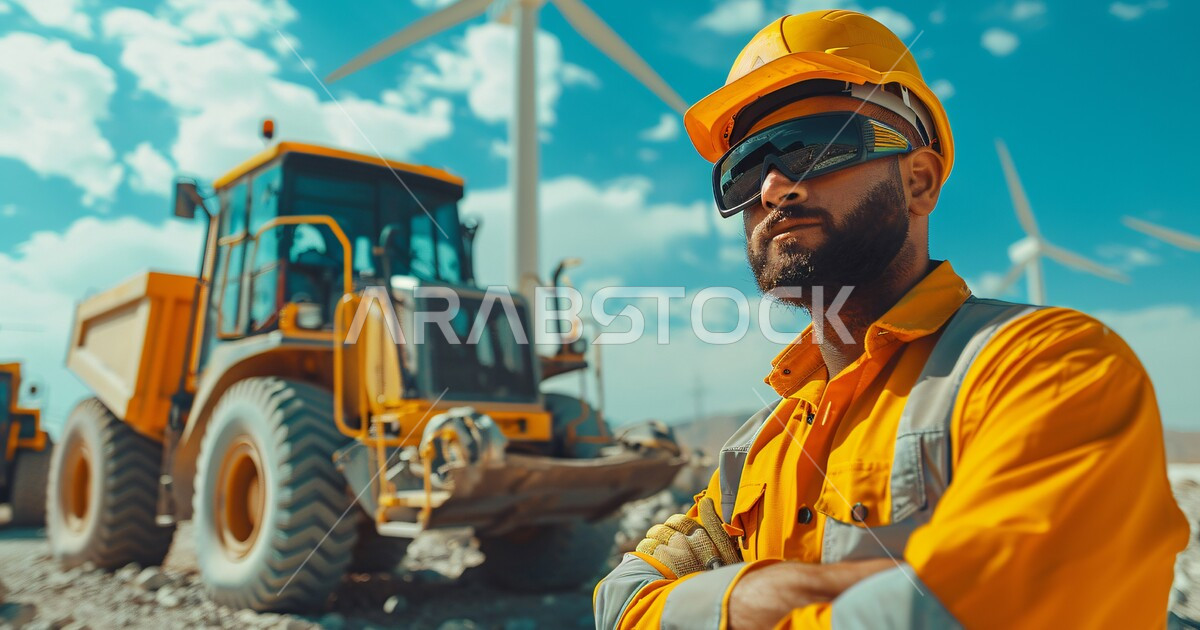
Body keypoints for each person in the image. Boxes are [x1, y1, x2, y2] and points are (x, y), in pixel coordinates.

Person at [593, 10, 1187, 629]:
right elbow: (621, 597)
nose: (772, 187)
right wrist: (749, 601)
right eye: (744, 168)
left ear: (919, 181)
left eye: (814, 145)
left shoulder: (1046, 367)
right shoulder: (759, 447)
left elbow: (990, 609)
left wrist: (712, 603)